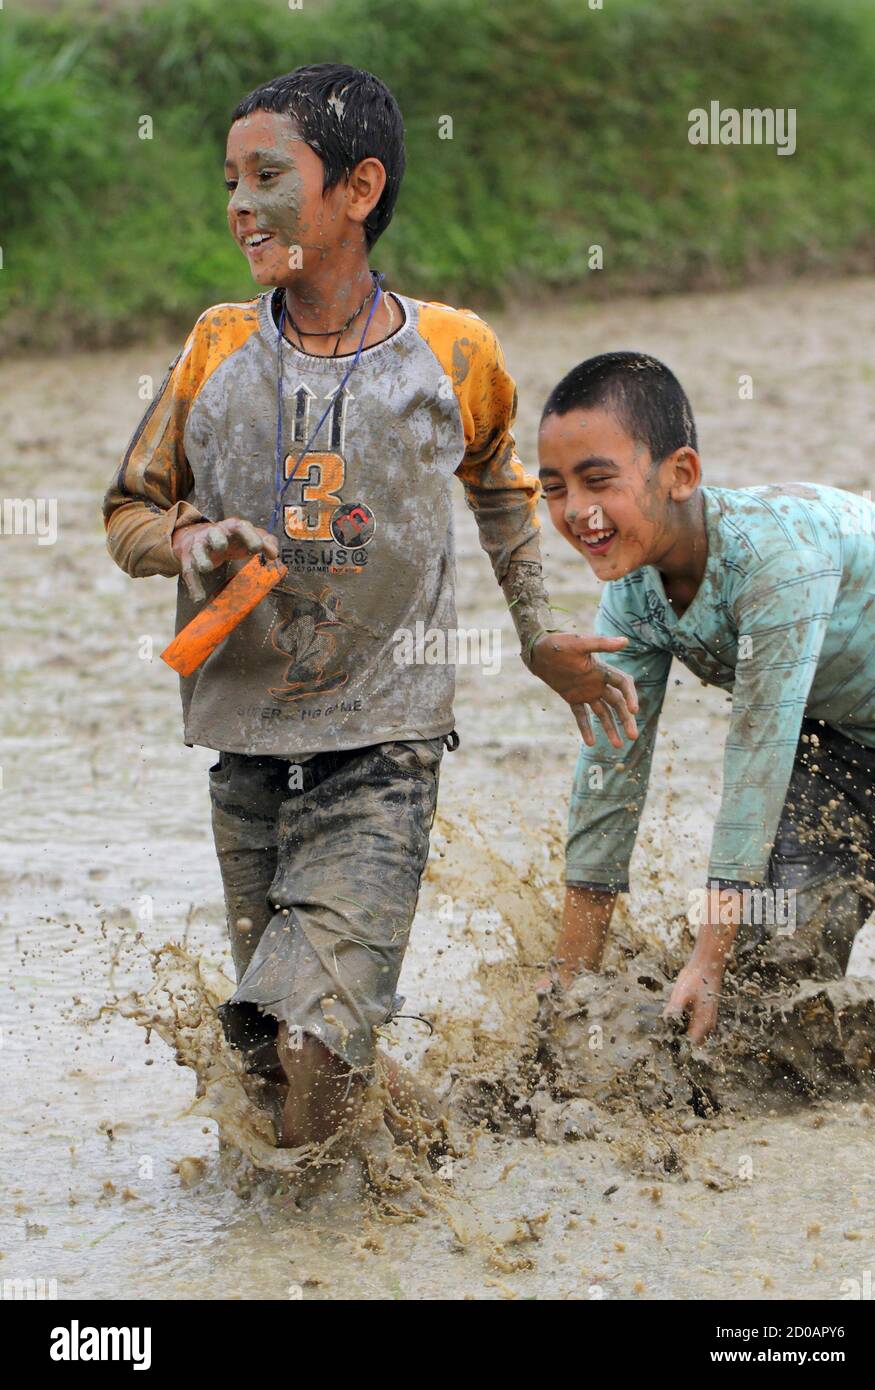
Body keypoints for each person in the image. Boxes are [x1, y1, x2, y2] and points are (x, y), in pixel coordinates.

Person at [102, 65, 635, 1151]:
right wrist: (193, 539)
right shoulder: (214, 349)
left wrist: (536, 633)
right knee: (261, 1050)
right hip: (246, 742)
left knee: (318, 1040)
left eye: (266, 176)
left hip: (385, 747)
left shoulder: (451, 351)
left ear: (358, 188)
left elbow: (498, 480)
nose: (240, 204)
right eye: (228, 181)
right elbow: (127, 513)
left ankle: (324, 1243)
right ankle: (369, 1162)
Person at [537, 350, 875, 1040]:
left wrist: (705, 957)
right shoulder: (632, 596)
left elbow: (754, 753)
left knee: (719, 970)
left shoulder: (773, 563)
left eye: (597, 481)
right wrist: (568, 978)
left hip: (808, 736)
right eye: (554, 488)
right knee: (771, 1012)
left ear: (680, 475)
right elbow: (611, 772)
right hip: (834, 754)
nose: (578, 512)